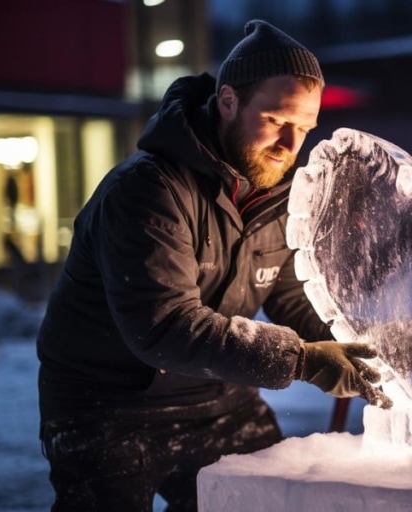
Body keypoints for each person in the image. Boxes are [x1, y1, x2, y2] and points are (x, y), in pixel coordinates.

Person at [36, 19, 391, 512]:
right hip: (107, 404)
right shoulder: (148, 192)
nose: (291, 146)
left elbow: (290, 294)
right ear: (227, 102)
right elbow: (164, 327)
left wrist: (379, 341)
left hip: (218, 399)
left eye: (304, 129)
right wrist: (304, 360)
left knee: (266, 502)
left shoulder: (279, 196)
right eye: (276, 120)